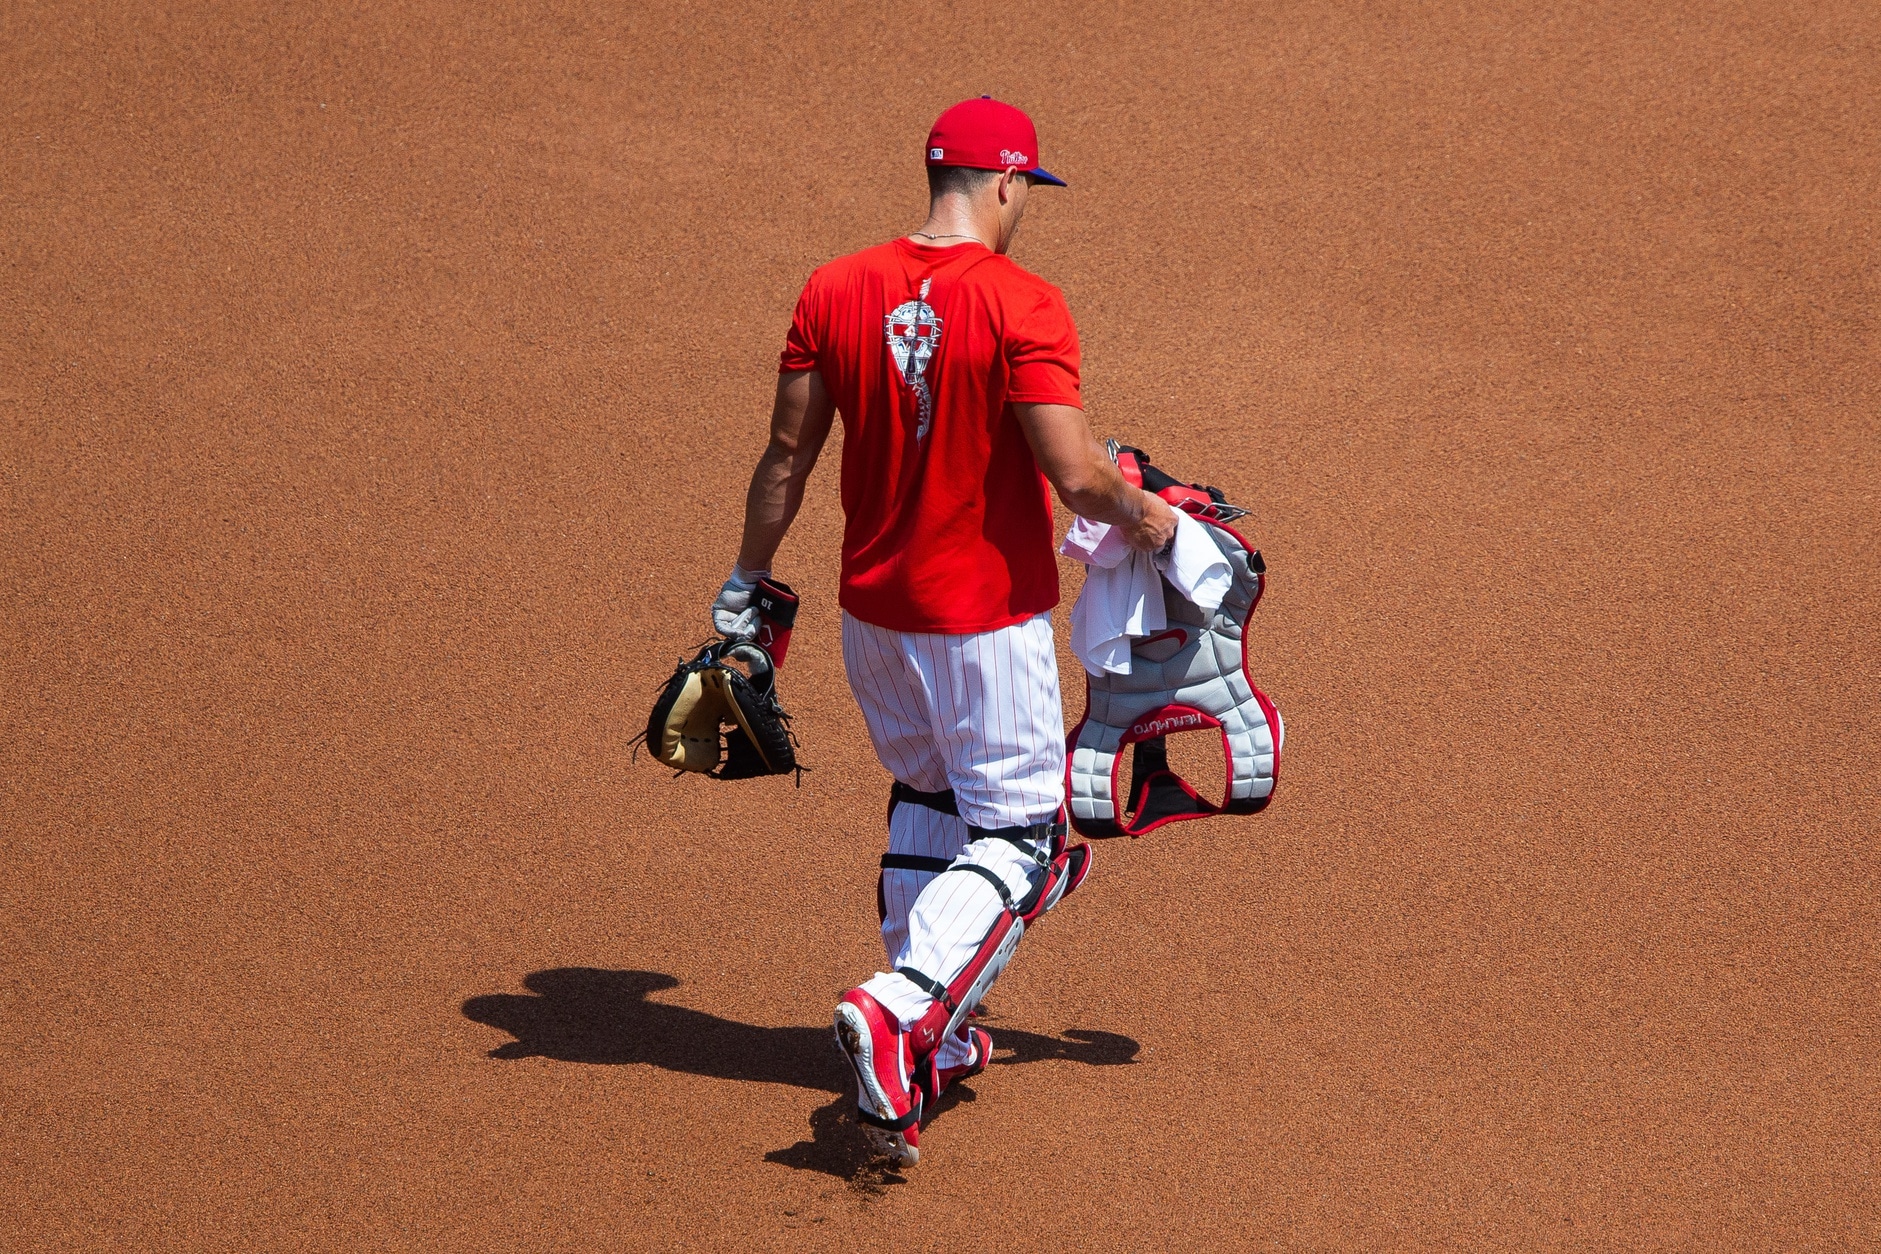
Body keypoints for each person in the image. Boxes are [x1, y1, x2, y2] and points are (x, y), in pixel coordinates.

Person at [712, 96, 1178, 1167]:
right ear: (1009, 184)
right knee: (1026, 839)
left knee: (930, 798)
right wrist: (1155, 518)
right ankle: (902, 1006)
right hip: (981, 621)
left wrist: (746, 577)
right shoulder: (1025, 304)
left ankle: (940, 1038)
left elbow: (785, 458)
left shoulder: (831, 287)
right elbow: (1074, 476)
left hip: (871, 615)